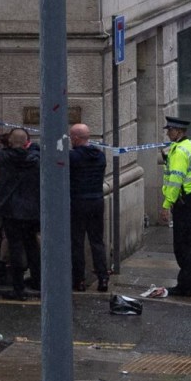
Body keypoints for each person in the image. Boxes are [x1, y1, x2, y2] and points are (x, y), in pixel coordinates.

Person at [0, 127, 41, 300]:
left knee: (15, 248)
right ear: (27, 142)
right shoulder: (36, 158)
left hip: (11, 211)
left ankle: (18, 289)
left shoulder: (5, 158)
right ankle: (38, 280)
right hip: (32, 210)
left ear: (10, 142)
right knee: (32, 246)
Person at [162, 117, 191, 297]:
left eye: (170, 130)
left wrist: (166, 204)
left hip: (183, 201)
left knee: (182, 245)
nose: (168, 133)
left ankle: (185, 286)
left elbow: (175, 180)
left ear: (179, 131)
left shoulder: (180, 151)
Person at [68, 123, 110, 292]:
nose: (70, 140)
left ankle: (79, 280)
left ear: (76, 138)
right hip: (97, 201)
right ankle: (103, 278)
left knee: (77, 242)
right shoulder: (100, 156)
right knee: (97, 241)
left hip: (78, 202)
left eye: (71, 137)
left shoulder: (72, 157)